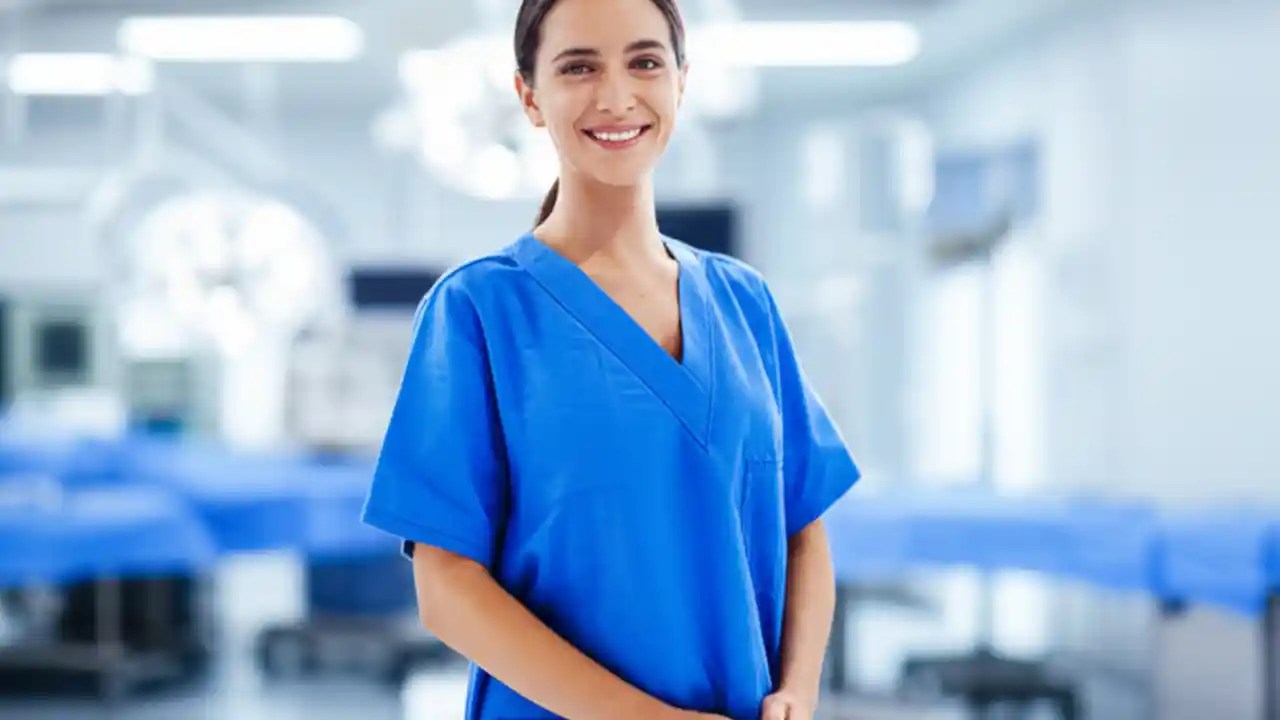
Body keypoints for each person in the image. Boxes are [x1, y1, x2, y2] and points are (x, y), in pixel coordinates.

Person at [361, 0, 861, 717]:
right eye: (579, 67)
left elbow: (803, 529)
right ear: (530, 97)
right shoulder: (479, 310)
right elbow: (447, 590)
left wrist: (797, 691)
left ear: (681, 83)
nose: (617, 95)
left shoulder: (745, 303)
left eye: (645, 62)